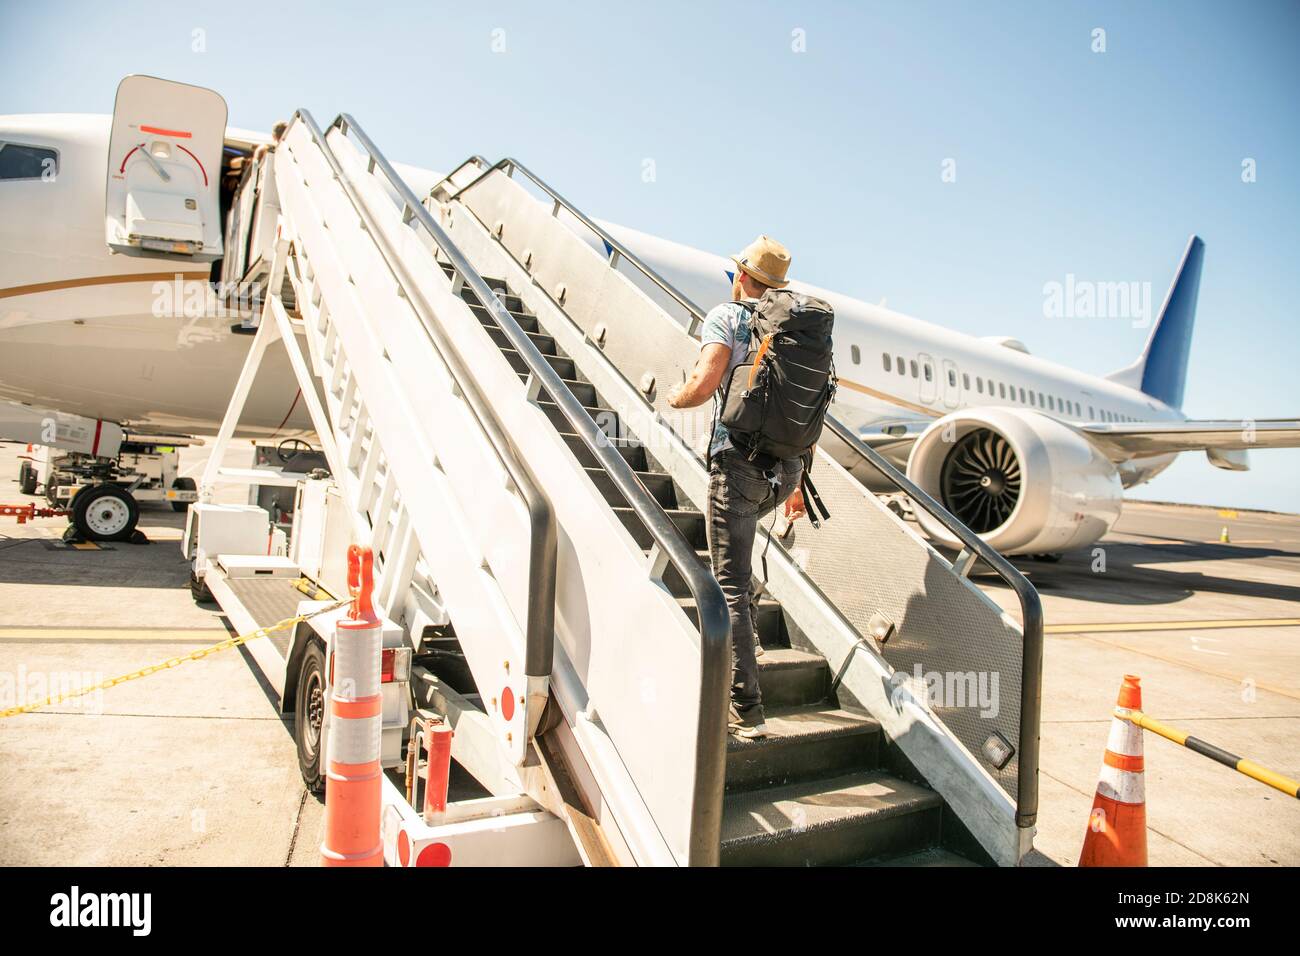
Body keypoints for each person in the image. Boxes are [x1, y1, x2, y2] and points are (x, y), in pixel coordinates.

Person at [667, 235, 808, 739]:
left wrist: (673, 399)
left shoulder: (727, 317)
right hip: (785, 469)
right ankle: (750, 642)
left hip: (739, 465)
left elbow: (704, 384)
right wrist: (796, 484)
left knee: (727, 582)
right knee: (741, 566)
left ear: (742, 279)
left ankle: (746, 708)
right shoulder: (795, 329)